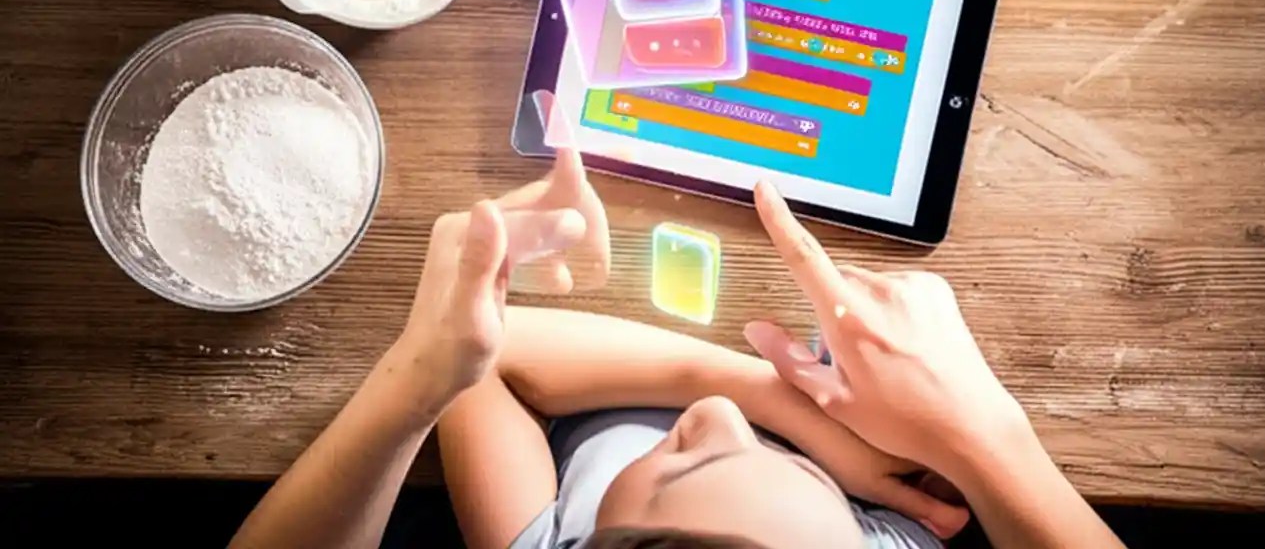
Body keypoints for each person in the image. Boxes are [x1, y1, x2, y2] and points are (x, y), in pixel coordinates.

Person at [231, 150, 1125, 549]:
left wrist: (761, 394)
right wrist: (983, 443)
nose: (716, 414)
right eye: (817, 484)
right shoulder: (915, 527)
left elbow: (492, 364)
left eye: (676, 464)